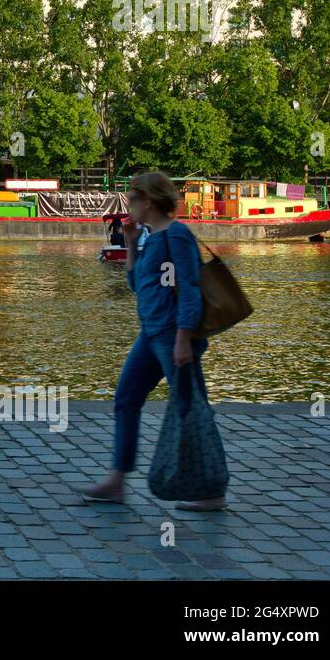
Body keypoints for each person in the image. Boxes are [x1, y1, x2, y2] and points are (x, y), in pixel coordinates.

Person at [82, 171, 226, 511]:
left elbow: (189, 289)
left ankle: (213, 491)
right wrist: (131, 243)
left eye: (132, 198)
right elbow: (138, 286)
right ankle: (117, 481)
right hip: (151, 334)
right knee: (126, 398)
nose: (128, 205)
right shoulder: (150, 237)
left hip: (173, 335)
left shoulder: (176, 235)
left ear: (148, 201)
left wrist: (183, 339)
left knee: (192, 408)